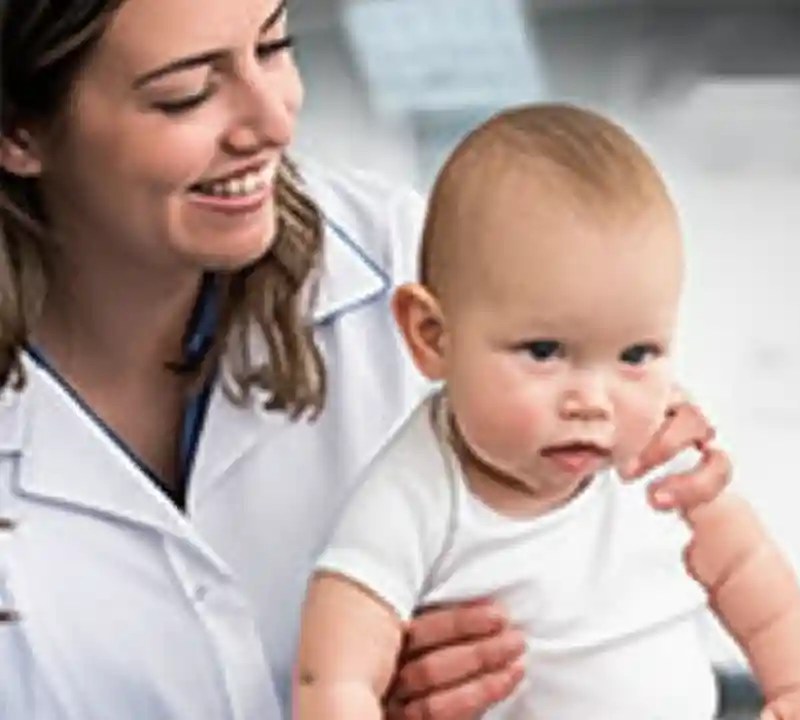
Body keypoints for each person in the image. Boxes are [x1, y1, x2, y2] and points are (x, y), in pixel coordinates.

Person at [0, 2, 730, 719]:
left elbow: (639, 621)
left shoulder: (427, 268)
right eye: (185, 94)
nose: (275, 122)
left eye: (274, 46)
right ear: (19, 131)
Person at [292, 104, 800, 720]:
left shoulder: (655, 461)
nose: (593, 403)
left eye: (636, 354)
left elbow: (744, 564)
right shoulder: (418, 494)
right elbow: (334, 674)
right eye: (545, 352)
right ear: (433, 337)